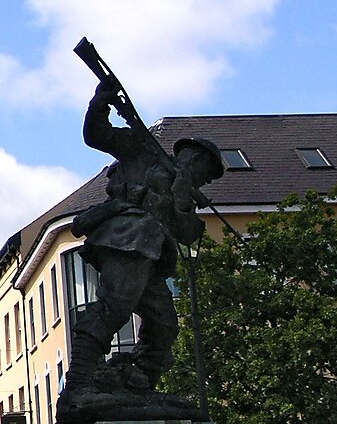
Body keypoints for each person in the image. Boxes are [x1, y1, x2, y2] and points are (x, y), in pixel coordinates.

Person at [60, 81, 224, 401]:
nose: (204, 181)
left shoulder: (183, 191)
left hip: (150, 256)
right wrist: (100, 103)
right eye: (206, 173)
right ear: (194, 159)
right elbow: (96, 135)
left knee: (164, 324)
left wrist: (180, 199)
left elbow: (190, 233)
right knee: (115, 307)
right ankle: (79, 383)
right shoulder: (142, 152)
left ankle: (140, 386)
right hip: (126, 238)